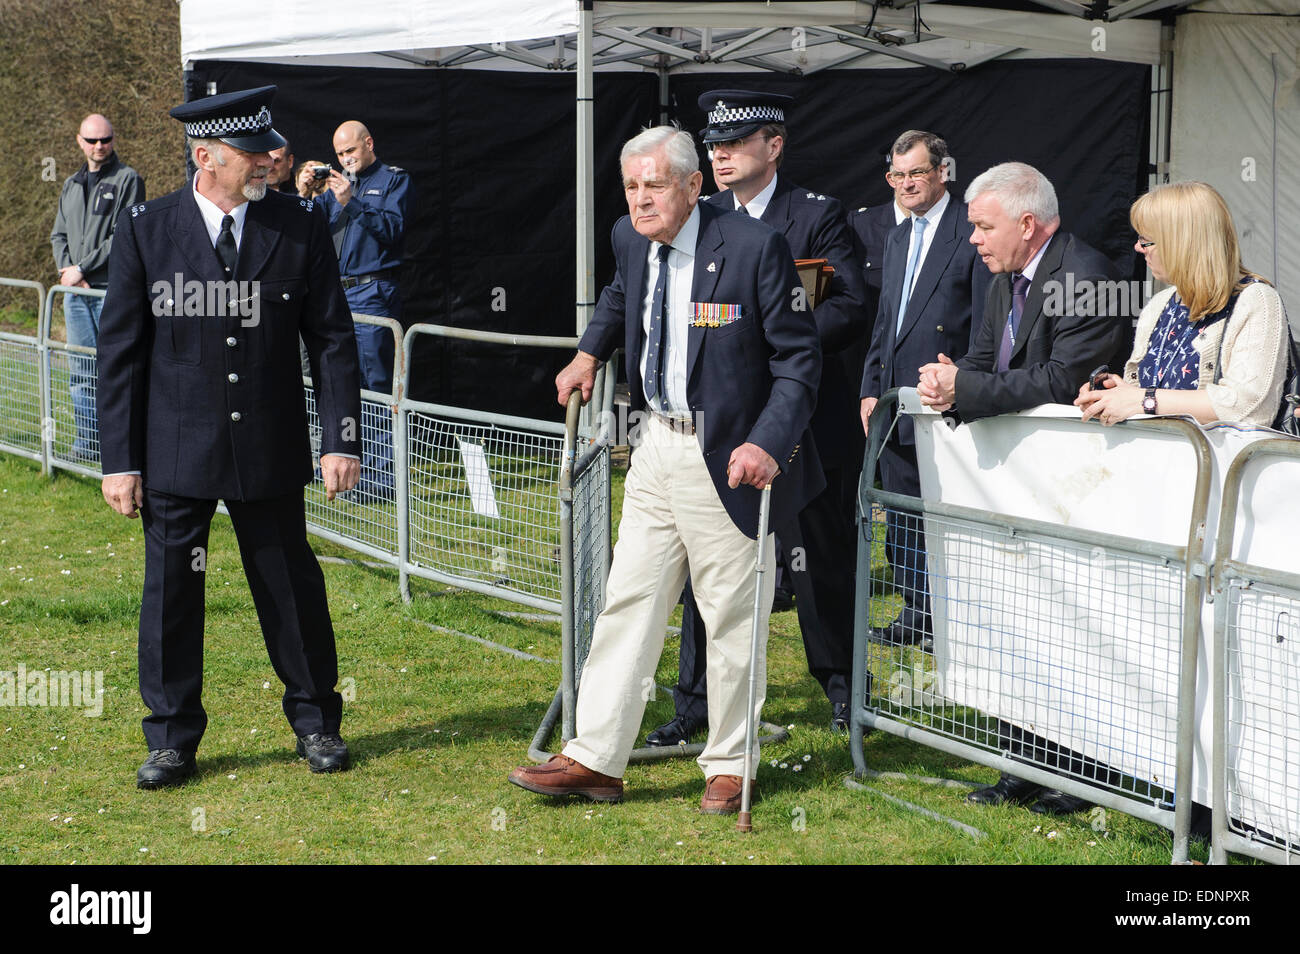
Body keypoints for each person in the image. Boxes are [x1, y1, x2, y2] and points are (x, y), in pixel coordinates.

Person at [508, 126, 822, 814]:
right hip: (655, 445)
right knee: (630, 598)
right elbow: (622, 294)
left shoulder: (752, 247)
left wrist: (767, 443)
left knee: (730, 616)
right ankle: (594, 758)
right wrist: (590, 352)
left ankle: (731, 763)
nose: (641, 199)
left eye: (655, 184)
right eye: (631, 185)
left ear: (692, 186)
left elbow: (799, 362)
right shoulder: (629, 236)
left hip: (731, 457)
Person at [96, 86, 363, 789]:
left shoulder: (299, 228)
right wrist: (119, 460)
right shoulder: (147, 230)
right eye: (252, 152)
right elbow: (120, 354)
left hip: (269, 451)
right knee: (172, 599)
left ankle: (317, 722)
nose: (269, 161)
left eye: (267, 149)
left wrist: (342, 438)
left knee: (290, 589)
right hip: (175, 453)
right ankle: (171, 738)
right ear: (205, 155)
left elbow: (333, 341)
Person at [644, 90, 868, 747]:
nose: (720, 155)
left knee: (819, 565)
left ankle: (844, 693)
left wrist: (767, 337)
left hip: (804, 423)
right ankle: (697, 704)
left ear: (774, 146)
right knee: (705, 572)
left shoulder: (817, 217)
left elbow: (850, 305)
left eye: (735, 144)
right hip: (720, 428)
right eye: (712, 145)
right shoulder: (699, 214)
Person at [917, 161, 1131, 815]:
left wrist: (969, 390)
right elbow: (986, 362)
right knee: (1020, 624)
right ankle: (1025, 761)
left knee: (1071, 629)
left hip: (1074, 487)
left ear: (1027, 223)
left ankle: (1079, 771)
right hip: (1013, 490)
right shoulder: (1003, 280)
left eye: (983, 226)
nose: (974, 239)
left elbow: (1068, 380)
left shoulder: (1088, 275)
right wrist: (950, 379)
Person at [860, 131, 989, 651]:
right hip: (894, 403)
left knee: (946, 518)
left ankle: (956, 623)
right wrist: (871, 388)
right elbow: (884, 322)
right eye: (897, 175)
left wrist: (963, 381)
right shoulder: (894, 237)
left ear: (942, 172)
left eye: (916, 172)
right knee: (903, 517)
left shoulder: (971, 230)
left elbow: (984, 320)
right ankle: (918, 613)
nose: (906, 184)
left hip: (945, 403)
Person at [1076, 181, 1288, 428]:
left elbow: (1247, 407)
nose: (1137, 248)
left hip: (1214, 466)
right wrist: (1114, 396)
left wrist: (1143, 400)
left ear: (1181, 244)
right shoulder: (1159, 304)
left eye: (1146, 241)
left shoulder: (1255, 300)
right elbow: (1146, 397)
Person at [317, 121, 409, 501]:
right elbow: (310, 228)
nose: (345, 159)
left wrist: (350, 201)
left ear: (368, 144)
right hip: (337, 293)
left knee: (377, 385)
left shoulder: (393, 181)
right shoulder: (335, 187)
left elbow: (393, 231)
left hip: (373, 290)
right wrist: (306, 192)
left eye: (350, 151)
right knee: (344, 385)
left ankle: (382, 480)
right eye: (339, 154)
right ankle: (355, 471)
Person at [50, 113, 145, 462]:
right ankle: (87, 444)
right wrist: (67, 271)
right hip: (76, 293)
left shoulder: (128, 180)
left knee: (116, 370)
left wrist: (82, 268)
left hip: (109, 291)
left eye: (105, 139)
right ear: (80, 141)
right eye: (92, 140)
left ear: (113, 139)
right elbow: (58, 233)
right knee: (81, 371)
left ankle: (120, 450)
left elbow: (123, 235)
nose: (99, 146)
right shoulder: (71, 184)